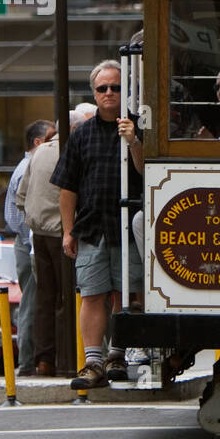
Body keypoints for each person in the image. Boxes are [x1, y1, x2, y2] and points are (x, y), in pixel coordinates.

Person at [53, 61, 143, 389]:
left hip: (125, 225)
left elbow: (149, 172)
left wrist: (133, 141)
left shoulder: (138, 128)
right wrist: (67, 230)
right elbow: (67, 188)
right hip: (92, 226)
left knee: (124, 291)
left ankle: (117, 354)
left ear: (125, 92)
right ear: (94, 93)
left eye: (115, 88)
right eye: (102, 88)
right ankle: (93, 362)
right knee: (92, 294)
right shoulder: (81, 137)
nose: (108, 93)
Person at [18, 106, 92, 376]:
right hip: (64, 232)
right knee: (67, 298)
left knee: (44, 298)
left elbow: (21, 195)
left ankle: (43, 360)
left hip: (39, 233)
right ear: (73, 129)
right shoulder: (73, 151)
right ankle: (66, 359)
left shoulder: (38, 154)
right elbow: (79, 192)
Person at [7, 119, 55, 376]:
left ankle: (32, 360)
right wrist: (35, 240)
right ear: (38, 143)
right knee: (33, 303)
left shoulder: (29, 165)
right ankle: (27, 362)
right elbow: (16, 214)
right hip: (31, 245)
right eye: (51, 139)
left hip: (32, 243)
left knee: (37, 301)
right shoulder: (27, 167)